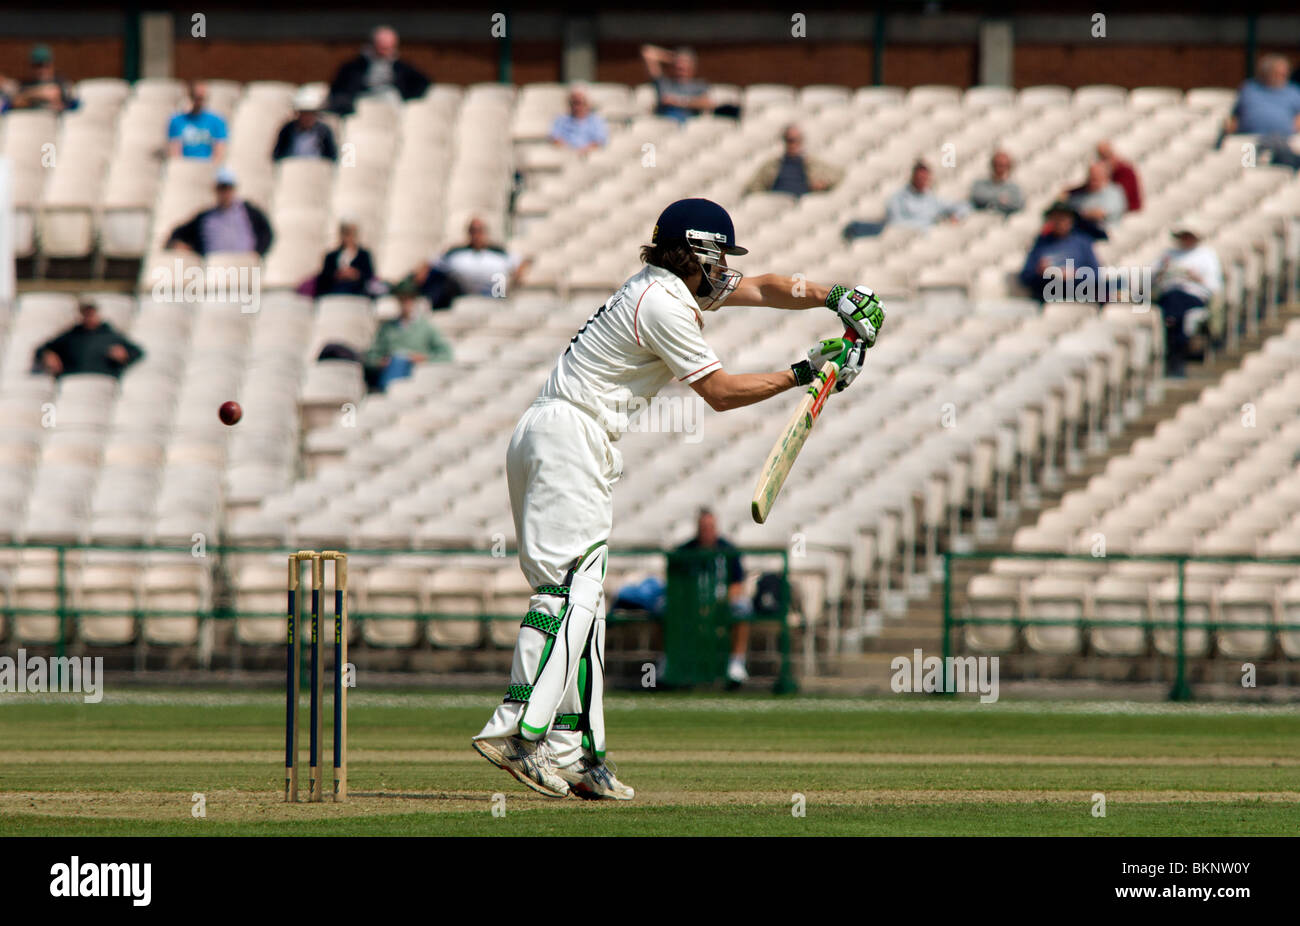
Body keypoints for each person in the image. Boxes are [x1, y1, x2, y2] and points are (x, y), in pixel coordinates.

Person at [470, 197, 884, 801]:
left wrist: (835, 295)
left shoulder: (668, 285)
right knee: (570, 592)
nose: (726, 271)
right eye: (720, 257)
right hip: (572, 436)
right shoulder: (663, 303)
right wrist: (805, 371)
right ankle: (517, 732)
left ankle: (575, 751)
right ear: (699, 252)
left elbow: (768, 287)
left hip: (559, 433)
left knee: (582, 598)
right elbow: (718, 392)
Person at [676, 508, 755, 687]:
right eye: (703, 528)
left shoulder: (728, 550)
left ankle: (736, 663)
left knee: (743, 607)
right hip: (692, 602)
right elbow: (676, 584)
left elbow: (737, 584)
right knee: (663, 608)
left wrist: (718, 603)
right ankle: (670, 662)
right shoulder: (685, 551)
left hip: (722, 601)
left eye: (710, 527)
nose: (707, 532)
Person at [1153, 220, 1223, 378]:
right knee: (1173, 300)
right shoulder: (1169, 254)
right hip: (1169, 294)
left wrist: (1195, 278)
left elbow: (1214, 286)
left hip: (1194, 295)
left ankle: (1175, 349)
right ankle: (1174, 345)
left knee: (1176, 306)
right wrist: (1162, 271)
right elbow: (1150, 278)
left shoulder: (1206, 255)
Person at [415, 217, 530, 307]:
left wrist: (518, 274)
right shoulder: (455, 252)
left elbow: (522, 261)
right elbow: (432, 262)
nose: (476, 235)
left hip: (494, 296)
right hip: (462, 295)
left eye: (479, 231)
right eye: (473, 231)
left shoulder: (499, 253)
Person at [165, 167, 273, 257]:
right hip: (214, 273)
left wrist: (257, 253)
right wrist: (187, 247)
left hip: (243, 269)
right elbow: (179, 233)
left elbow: (267, 234)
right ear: (215, 189)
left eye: (228, 188)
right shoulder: (205, 218)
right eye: (221, 188)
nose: (225, 192)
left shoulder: (250, 212)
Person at [365, 282, 452, 391]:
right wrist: (381, 362)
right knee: (397, 361)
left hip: (416, 373)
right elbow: (370, 356)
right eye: (402, 299)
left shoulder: (426, 327)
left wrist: (424, 359)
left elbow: (446, 354)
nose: (405, 304)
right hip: (391, 368)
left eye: (409, 299)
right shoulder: (387, 328)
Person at [327, 25, 430, 116]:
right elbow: (340, 86)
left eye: (388, 48)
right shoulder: (354, 66)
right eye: (382, 47)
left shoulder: (400, 66)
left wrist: (406, 96)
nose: (384, 51)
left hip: (390, 100)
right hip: (362, 99)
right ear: (373, 44)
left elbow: (423, 82)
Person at [34, 301, 143, 379]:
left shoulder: (111, 335)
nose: (89, 318)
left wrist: (125, 355)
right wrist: (48, 355)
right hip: (73, 378)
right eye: (86, 315)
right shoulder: (71, 335)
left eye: (92, 314)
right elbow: (42, 349)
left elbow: (137, 352)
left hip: (103, 379)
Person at [1019, 202, 1100, 304]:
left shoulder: (1082, 243)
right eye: (1056, 218)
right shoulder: (1041, 243)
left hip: (1078, 297)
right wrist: (1040, 273)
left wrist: (1075, 274)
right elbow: (1026, 275)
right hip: (1047, 297)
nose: (1060, 223)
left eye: (1064, 218)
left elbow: (1096, 274)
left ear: (1071, 220)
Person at [1227, 55, 1300, 170]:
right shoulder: (1249, 88)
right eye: (1277, 73)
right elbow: (1235, 117)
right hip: (1250, 139)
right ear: (1266, 73)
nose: (1282, 77)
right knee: (1247, 168)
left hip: (1283, 139)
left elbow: (1298, 119)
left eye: (1284, 74)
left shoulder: (1293, 92)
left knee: (1284, 160)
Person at [745, 124, 843, 197]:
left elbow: (839, 174)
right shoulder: (772, 165)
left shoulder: (811, 163)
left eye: (796, 140)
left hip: (802, 202)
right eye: (789, 140)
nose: (793, 144)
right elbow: (753, 186)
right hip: (777, 202)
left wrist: (823, 183)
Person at [641, 45, 714, 124]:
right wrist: (675, 58)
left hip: (687, 125)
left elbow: (708, 104)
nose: (681, 70)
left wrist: (679, 101)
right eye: (678, 67)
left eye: (684, 67)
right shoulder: (664, 83)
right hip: (663, 123)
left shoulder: (699, 85)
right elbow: (648, 52)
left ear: (692, 68)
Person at [167, 81, 228, 161]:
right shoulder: (177, 121)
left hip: (208, 165)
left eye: (201, 98)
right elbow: (175, 153)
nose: (198, 102)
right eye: (196, 97)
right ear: (190, 97)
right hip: (185, 165)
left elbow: (219, 153)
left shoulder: (217, 121)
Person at [273, 86, 338, 161]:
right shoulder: (287, 130)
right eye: (304, 113)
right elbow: (277, 155)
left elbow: (332, 157)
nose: (307, 118)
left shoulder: (325, 131)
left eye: (311, 113)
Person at [1064, 162, 1126, 239]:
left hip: (1105, 234)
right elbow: (1066, 206)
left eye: (1096, 177)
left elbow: (1099, 214)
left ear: (1105, 177)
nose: (1092, 179)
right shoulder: (1082, 193)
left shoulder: (1114, 192)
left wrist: (1077, 213)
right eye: (1090, 176)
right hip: (1081, 233)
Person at [8, 44, 76, 113]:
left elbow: (69, 105)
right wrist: (39, 93)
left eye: (46, 65)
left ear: (52, 65)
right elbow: (16, 103)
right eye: (37, 66)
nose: (42, 70)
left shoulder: (61, 82)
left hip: (53, 120)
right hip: (31, 119)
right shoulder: (25, 84)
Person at [315, 220, 376, 296]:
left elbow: (369, 275)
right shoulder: (331, 256)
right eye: (347, 233)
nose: (350, 237)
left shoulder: (364, 255)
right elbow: (324, 277)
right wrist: (338, 274)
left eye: (353, 233)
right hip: (336, 290)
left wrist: (356, 274)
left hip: (358, 291)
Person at [548, 87, 608, 154]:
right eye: (574, 102)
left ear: (588, 104)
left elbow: (599, 141)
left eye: (580, 102)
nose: (577, 106)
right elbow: (555, 139)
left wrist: (584, 150)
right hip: (565, 155)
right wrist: (570, 151)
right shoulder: (560, 120)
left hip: (591, 155)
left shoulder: (597, 121)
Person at [969, 149, 1024, 216]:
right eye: (997, 165)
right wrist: (1000, 199)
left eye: (1004, 166)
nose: (1000, 169)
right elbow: (977, 197)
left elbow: (1018, 204)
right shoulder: (980, 183)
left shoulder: (1014, 187)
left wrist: (991, 200)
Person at [1095, 141, 1142, 212]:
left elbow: (1121, 196)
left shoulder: (1125, 170)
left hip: (1127, 211)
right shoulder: (1103, 172)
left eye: (1106, 156)